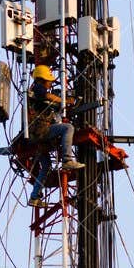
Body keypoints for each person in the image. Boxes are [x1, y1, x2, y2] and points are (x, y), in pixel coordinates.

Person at [27, 63, 81, 207]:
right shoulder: (38, 88)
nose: (51, 83)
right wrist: (65, 101)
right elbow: (46, 95)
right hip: (41, 130)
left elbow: (46, 101)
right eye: (49, 80)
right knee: (68, 128)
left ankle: (34, 197)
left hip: (35, 135)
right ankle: (67, 159)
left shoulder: (36, 92)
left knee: (45, 166)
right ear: (42, 79)